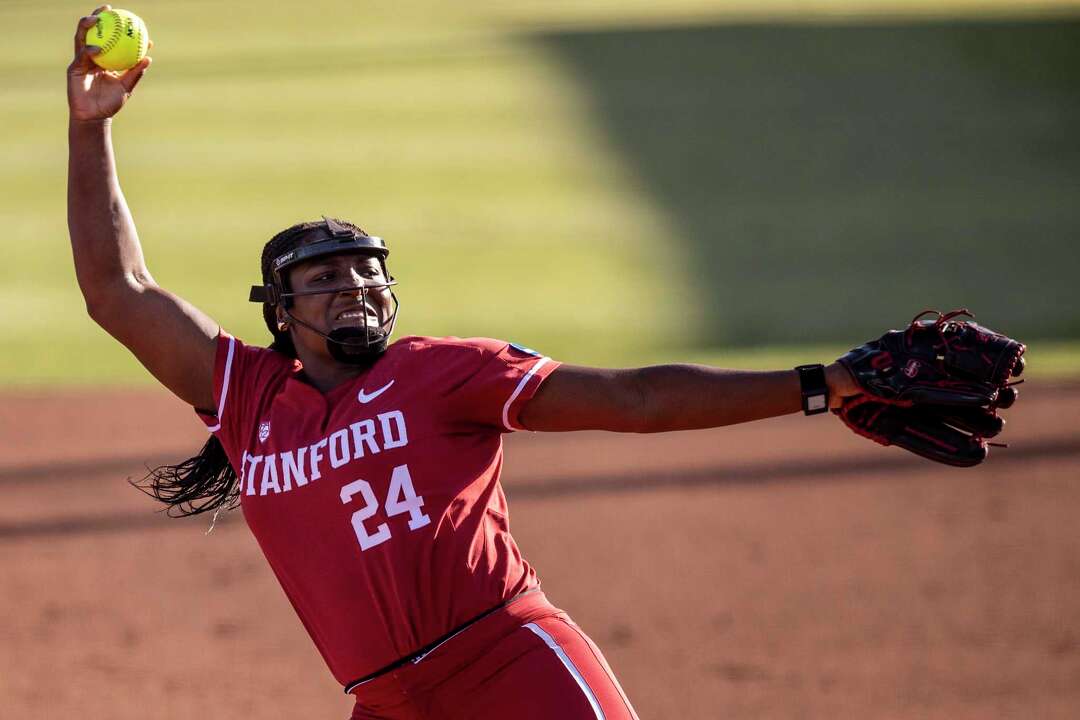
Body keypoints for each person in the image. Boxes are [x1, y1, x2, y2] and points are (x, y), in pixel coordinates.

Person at [67, 7, 861, 719]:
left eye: (367, 272)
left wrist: (821, 386)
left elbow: (636, 399)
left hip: (511, 665)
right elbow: (117, 290)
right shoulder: (250, 399)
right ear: (280, 312)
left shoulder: (440, 371)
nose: (354, 287)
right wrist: (90, 126)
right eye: (325, 277)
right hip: (386, 703)